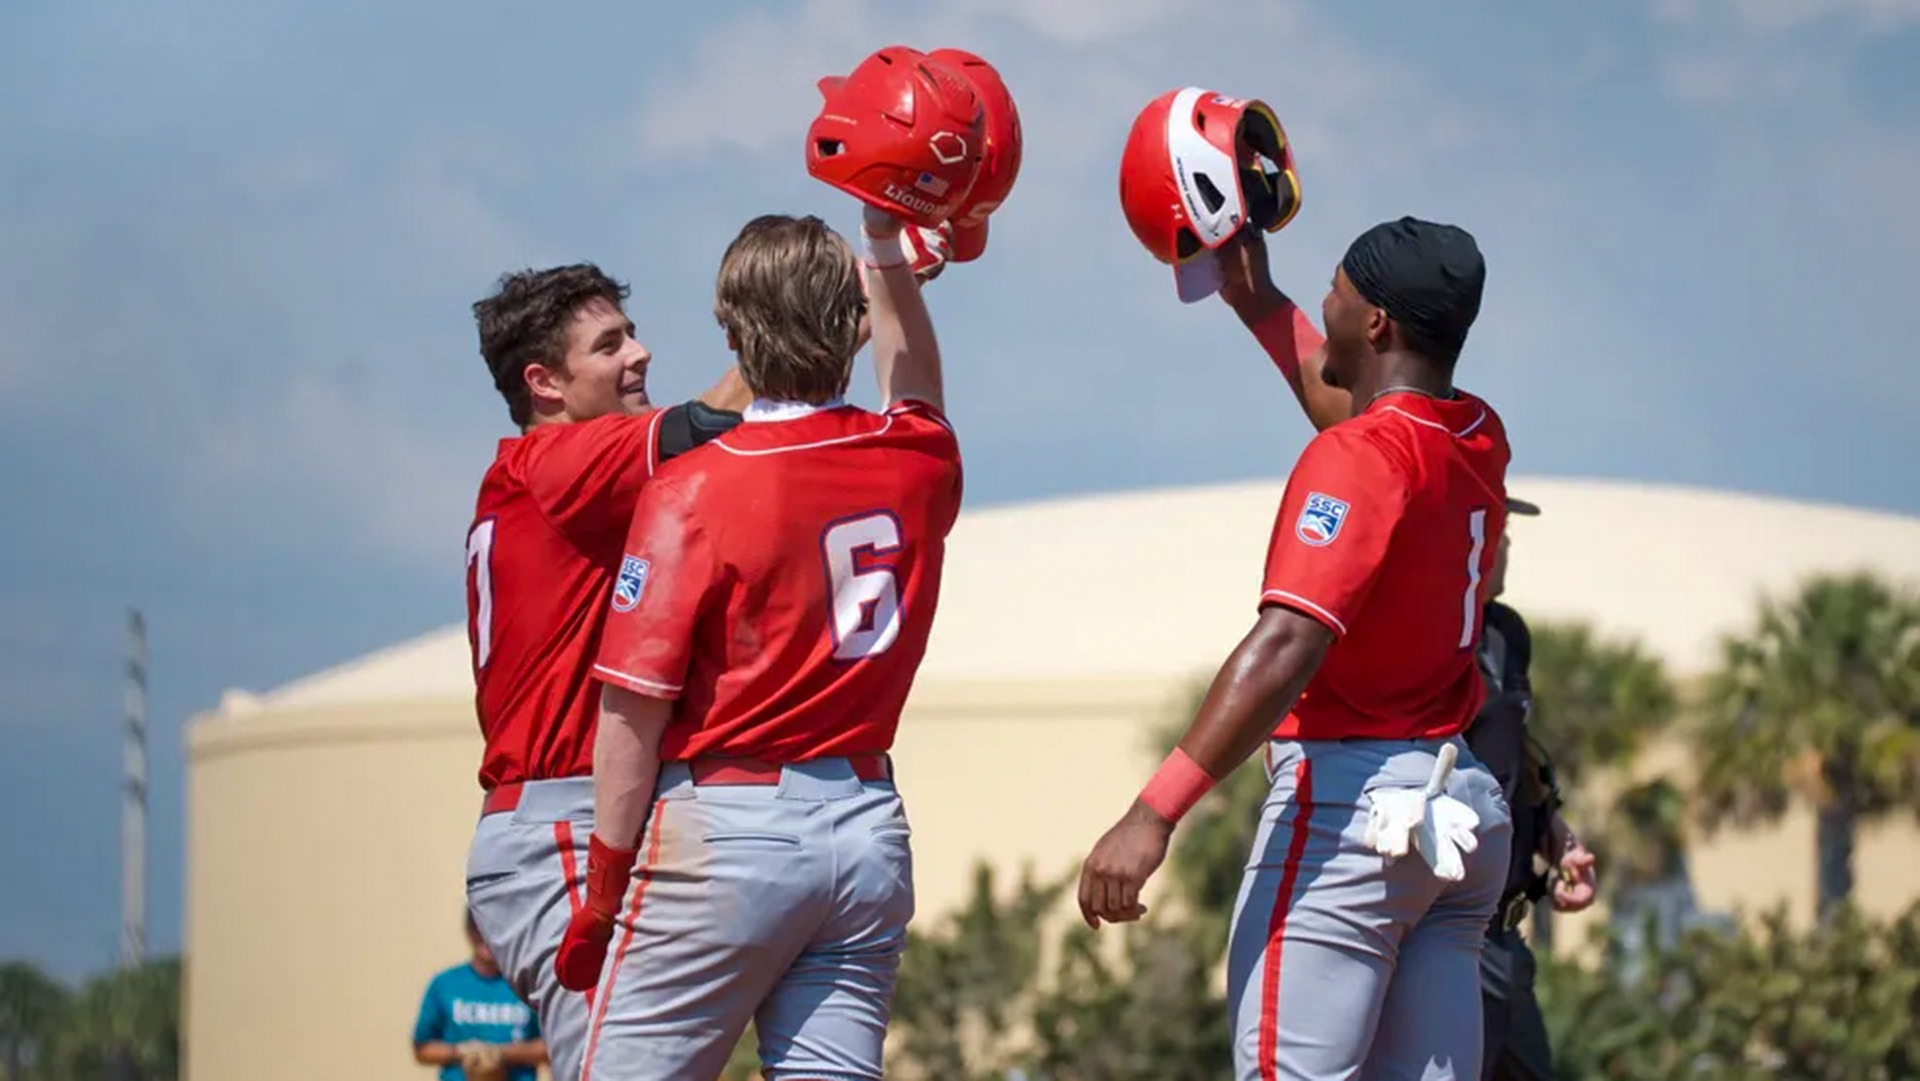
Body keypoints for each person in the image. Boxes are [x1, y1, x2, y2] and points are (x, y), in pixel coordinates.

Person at [1080, 212, 1515, 1080]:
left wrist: (1155, 809)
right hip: (1457, 817)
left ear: (1379, 325)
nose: (1328, 303)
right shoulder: (1476, 432)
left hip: (1351, 814)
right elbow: (1356, 411)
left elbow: (1288, 642)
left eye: (1338, 294)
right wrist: (1257, 298)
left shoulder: (1359, 456)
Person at [549, 200, 959, 1081]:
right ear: (851, 329)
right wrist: (883, 250)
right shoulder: (918, 457)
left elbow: (629, 712)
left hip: (731, 828)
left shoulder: (692, 489)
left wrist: (605, 884)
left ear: (733, 333)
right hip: (866, 825)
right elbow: (916, 380)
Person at [460, 261, 751, 1081]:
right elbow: (704, 426)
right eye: (610, 344)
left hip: (584, 819)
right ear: (544, 383)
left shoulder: (552, 475)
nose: (641, 353)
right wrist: (795, 318)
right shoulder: (557, 466)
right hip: (560, 825)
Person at [1467, 498, 1598, 1081]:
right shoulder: (1419, 635)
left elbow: (1512, 748)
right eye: (1497, 527)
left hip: (1509, 936)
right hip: (1452, 933)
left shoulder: (1506, 632)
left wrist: (1556, 836)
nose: (1508, 543)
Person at [412, 913, 547, 1081]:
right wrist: (462, 1052)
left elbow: (549, 1048)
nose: (486, 936)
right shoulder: (444, 984)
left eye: (494, 930)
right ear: (469, 931)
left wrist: (501, 1054)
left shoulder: (527, 984)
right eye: (479, 928)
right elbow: (422, 1048)